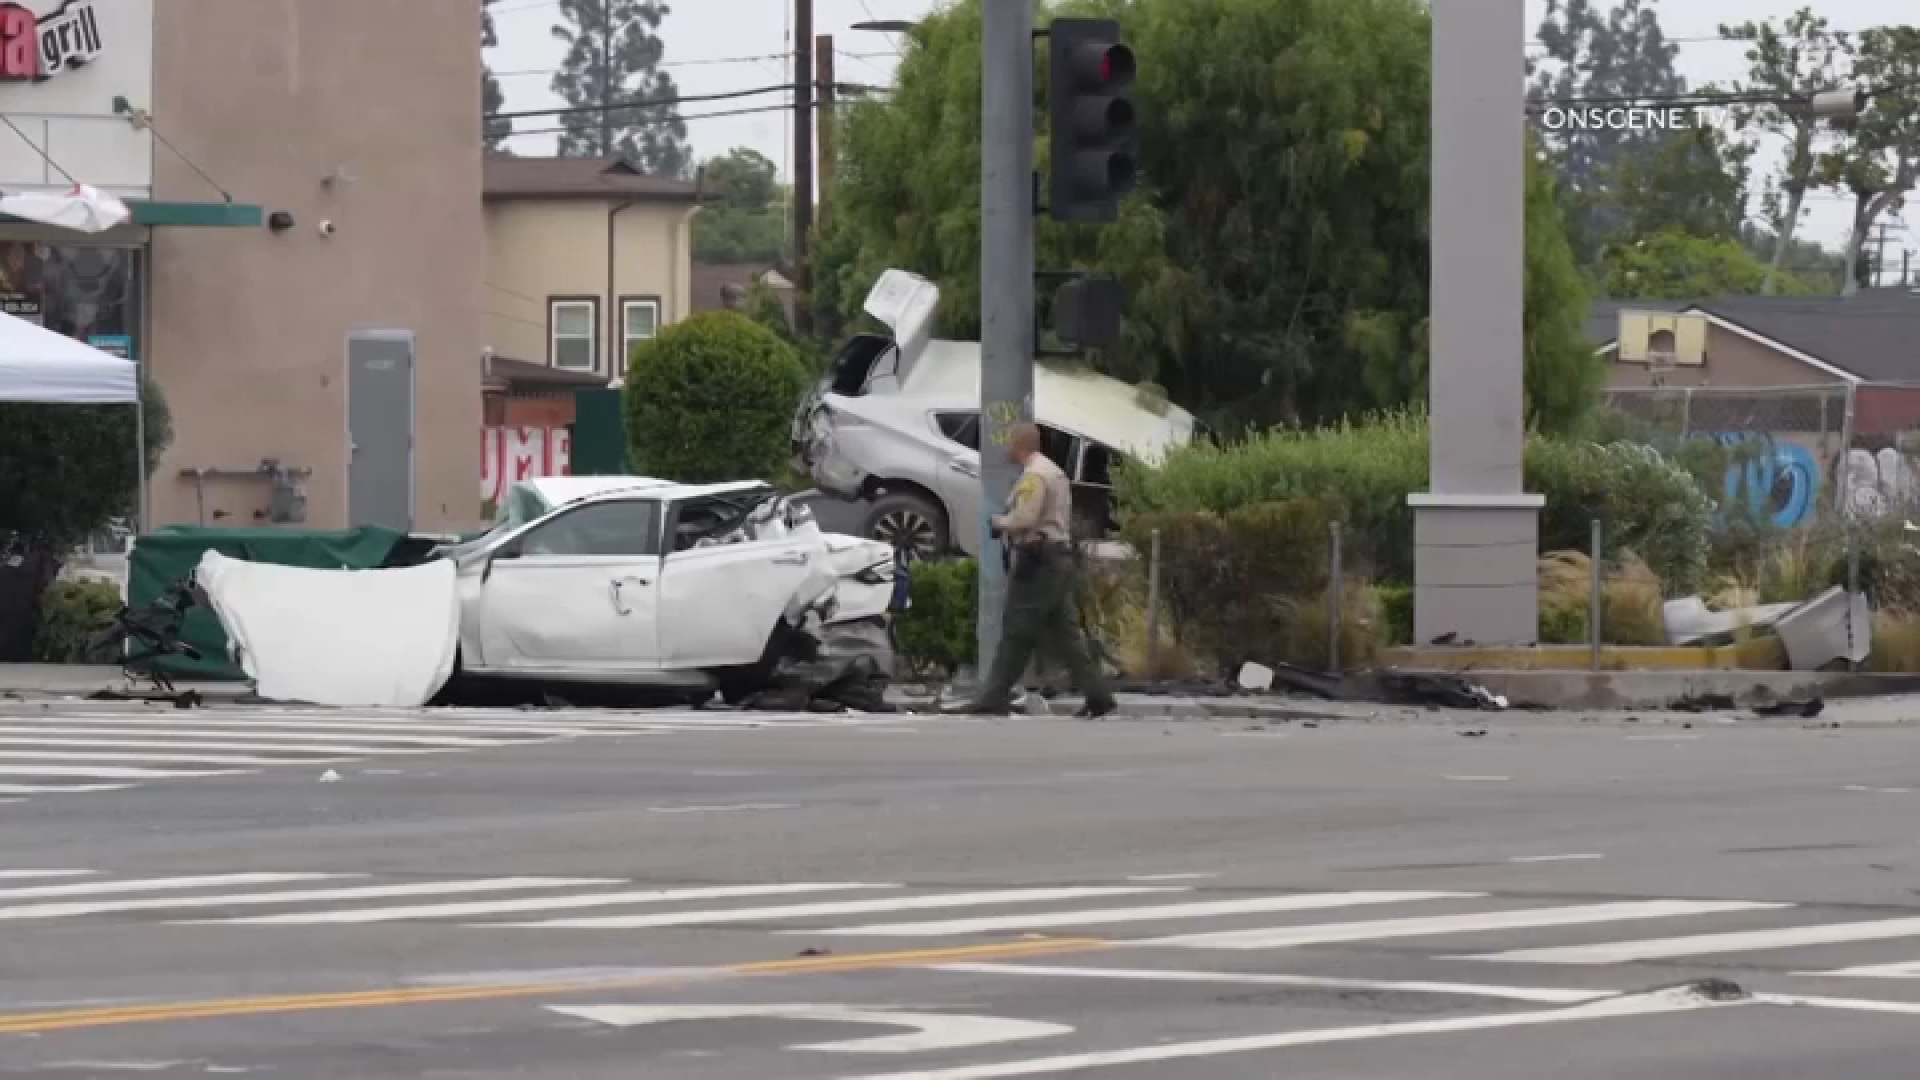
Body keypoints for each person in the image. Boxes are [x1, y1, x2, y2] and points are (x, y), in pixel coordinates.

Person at [948, 423, 1117, 718]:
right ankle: (1099, 696)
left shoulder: (1035, 475)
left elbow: (1026, 516)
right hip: (1056, 558)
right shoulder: (1053, 470)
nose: (1007, 448)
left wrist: (1000, 522)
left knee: (1017, 631)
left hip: (1038, 561)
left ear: (1018, 445)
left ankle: (993, 697)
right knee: (1067, 636)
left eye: (1010, 443)